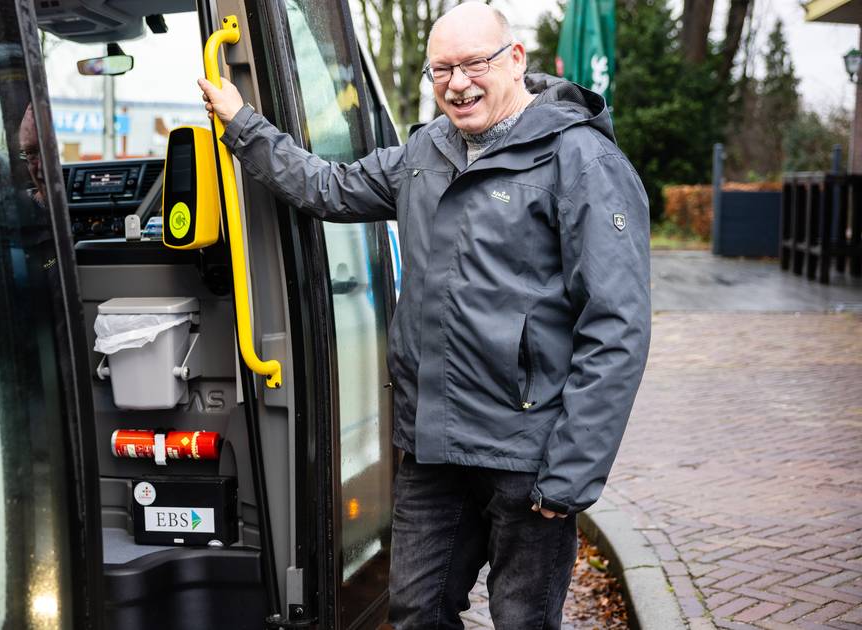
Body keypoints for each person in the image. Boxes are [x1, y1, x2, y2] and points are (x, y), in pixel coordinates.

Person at [197, 3, 651, 628]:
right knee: (416, 612)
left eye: (472, 65)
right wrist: (242, 124)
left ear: (515, 61)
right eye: (442, 70)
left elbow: (617, 326)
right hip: (433, 451)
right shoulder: (423, 153)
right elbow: (324, 187)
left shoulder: (582, 162)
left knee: (523, 621)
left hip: (529, 456)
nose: (457, 84)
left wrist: (572, 471)